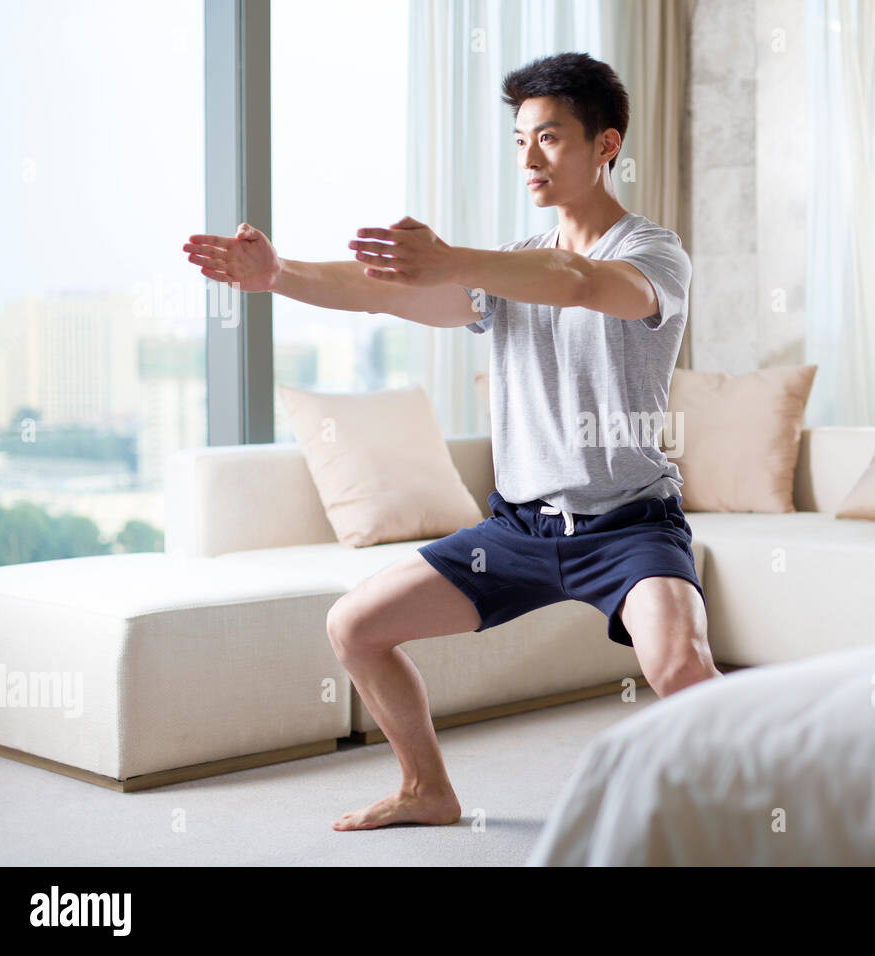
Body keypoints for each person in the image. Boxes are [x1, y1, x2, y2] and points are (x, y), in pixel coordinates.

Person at [182, 51, 721, 831]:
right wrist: (280, 274)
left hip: (629, 526)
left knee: (679, 665)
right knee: (355, 627)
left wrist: (455, 258)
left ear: (607, 146)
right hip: (519, 529)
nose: (529, 158)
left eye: (552, 138)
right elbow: (385, 292)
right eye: (519, 140)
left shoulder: (653, 253)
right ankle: (426, 790)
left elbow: (576, 284)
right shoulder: (506, 266)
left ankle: (761, 805)